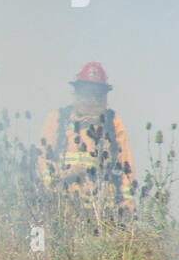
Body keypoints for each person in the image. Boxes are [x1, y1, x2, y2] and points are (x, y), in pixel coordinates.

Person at [36, 62, 135, 213]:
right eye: (88, 93)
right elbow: (43, 162)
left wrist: (127, 208)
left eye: (98, 94)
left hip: (102, 216)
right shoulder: (57, 120)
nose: (93, 99)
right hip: (64, 212)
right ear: (77, 92)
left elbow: (126, 169)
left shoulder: (113, 124)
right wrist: (61, 181)